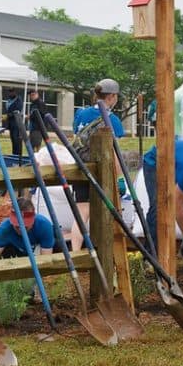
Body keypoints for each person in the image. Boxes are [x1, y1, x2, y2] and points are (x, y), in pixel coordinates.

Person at [70, 78, 126, 252]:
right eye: (116, 96)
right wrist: (120, 178)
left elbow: (76, 138)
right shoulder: (112, 120)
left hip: (81, 167)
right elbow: (115, 153)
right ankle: (105, 252)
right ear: (111, 96)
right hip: (102, 172)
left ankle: (75, 252)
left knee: (81, 212)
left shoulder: (81, 114)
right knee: (105, 213)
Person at [0, 197, 55, 261]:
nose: (21, 229)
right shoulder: (4, 229)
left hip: (35, 250)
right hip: (13, 251)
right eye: (17, 226)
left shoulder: (44, 225)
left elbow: (46, 259)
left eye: (25, 226)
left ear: (33, 219)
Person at [3, 88, 23, 156]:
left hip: (16, 122)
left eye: (12, 92)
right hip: (11, 123)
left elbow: (17, 111)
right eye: (9, 92)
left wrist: (8, 115)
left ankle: (18, 155)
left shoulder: (18, 100)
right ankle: (14, 154)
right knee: (13, 139)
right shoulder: (9, 101)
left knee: (16, 139)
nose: (10, 94)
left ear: (15, 93)